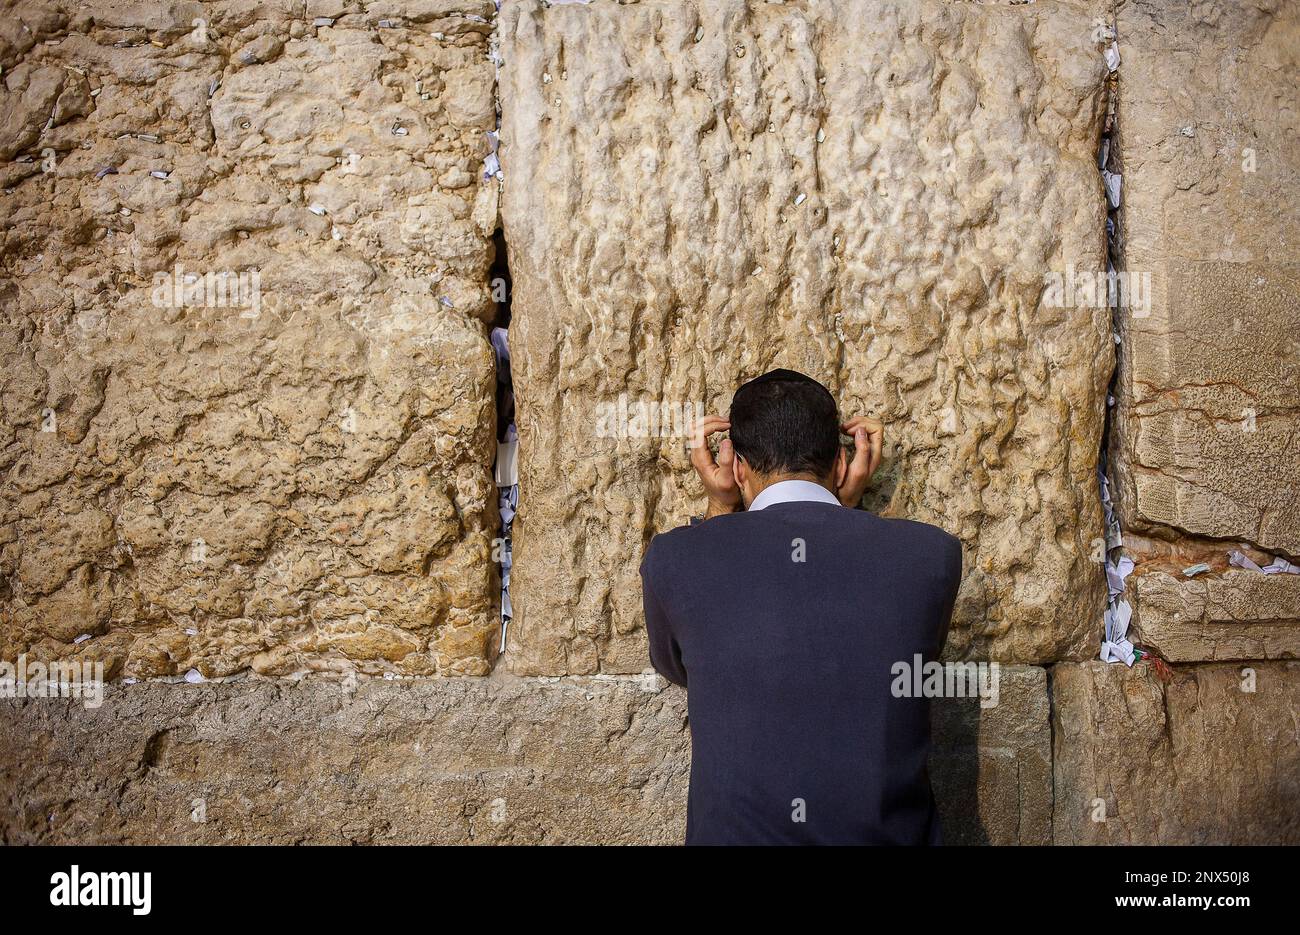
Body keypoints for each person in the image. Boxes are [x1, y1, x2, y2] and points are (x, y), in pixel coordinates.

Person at [639, 369, 963, 845]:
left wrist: (719, 507)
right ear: (840, 463)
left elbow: (684, 663)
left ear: (738, 468)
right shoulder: (931, 557)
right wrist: (842, 510)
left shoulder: (674, 559)